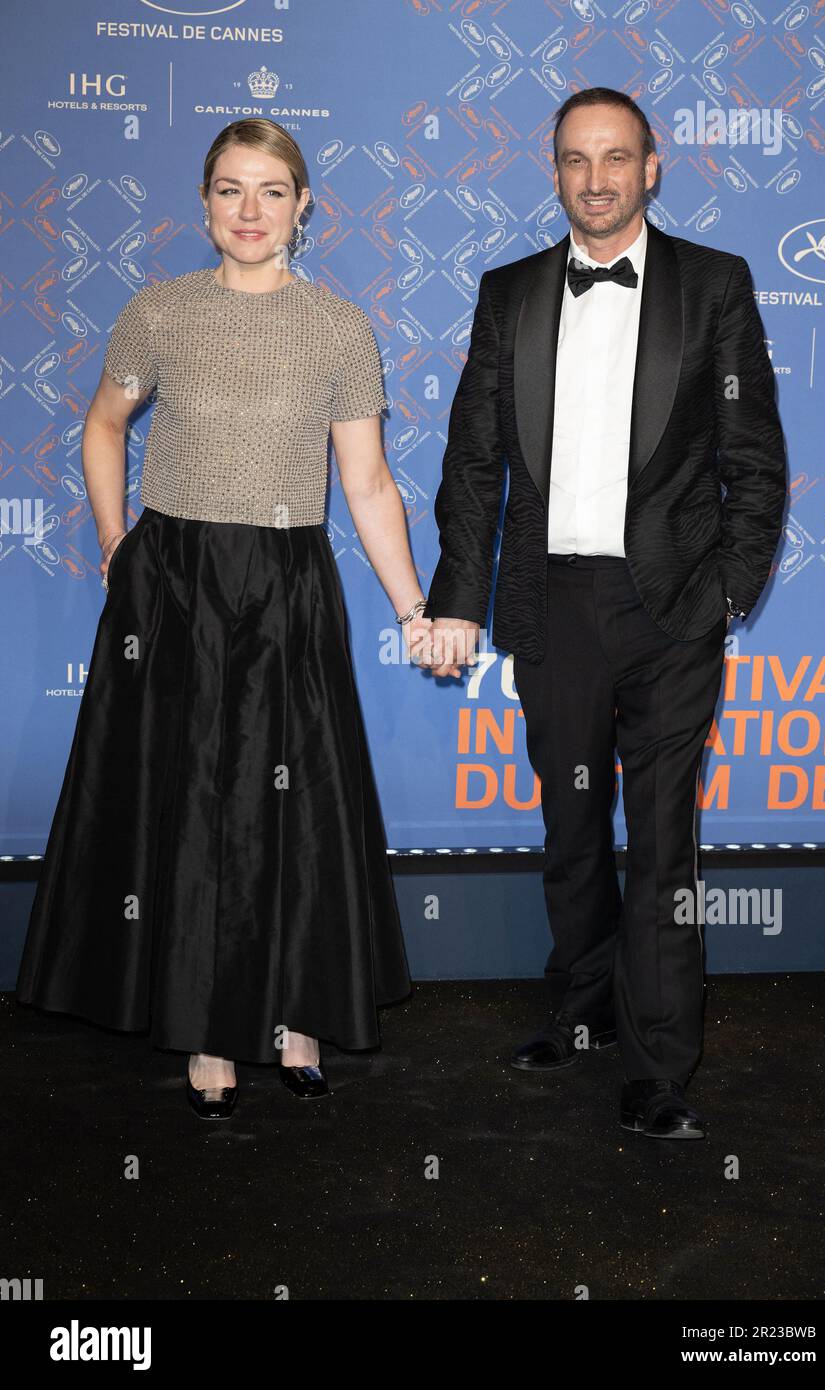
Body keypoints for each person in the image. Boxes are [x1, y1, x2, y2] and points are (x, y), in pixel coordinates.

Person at [17, 118, 431, 1119]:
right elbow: (105, 424)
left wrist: (411, 605)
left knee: (288, 808)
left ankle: (292, 1016)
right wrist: (118, 538)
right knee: (195, 802)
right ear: (203, 206)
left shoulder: (338, 327)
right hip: (175, 586)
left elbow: (367, 483)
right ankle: (204, 1029)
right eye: (231, 190)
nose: (251, 211)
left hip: (286, 584)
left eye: (272, 190)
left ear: (304, 206)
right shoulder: (156, 314)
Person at [420, 88, 787, 1140]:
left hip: (668, 607)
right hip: (553, 603)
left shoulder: (711, 284)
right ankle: (579, 1015)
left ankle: (659, 1062)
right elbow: (471, 463)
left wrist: (724, 591)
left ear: (650, 166)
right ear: (553, 169)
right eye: (576, 159)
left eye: (614, 157)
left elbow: (751, 459)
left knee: (661, 842)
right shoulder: (510, 294)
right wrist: (457, 598)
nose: (595, 178)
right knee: (571, 829)